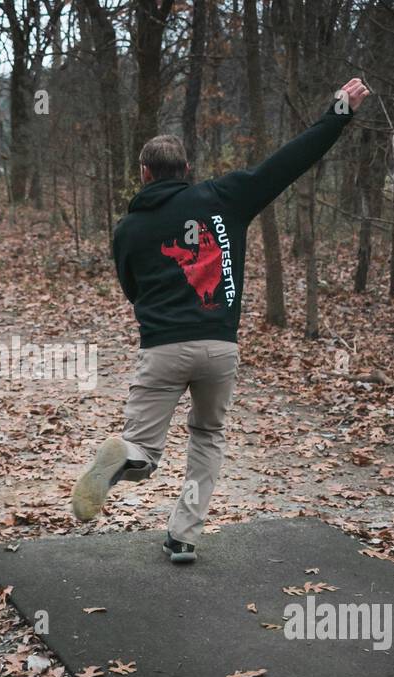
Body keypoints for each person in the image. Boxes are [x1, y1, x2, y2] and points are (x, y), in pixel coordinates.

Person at [70, 78, 371, 564]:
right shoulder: (224, 198)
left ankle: (125, 456)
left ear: (144, 174)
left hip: (162, 348)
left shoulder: (128, 228)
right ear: (187, 171)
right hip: (219, 347)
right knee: (207, 436)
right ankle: (183, 535)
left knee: (144, 451)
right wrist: (340, 110)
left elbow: (132, 290)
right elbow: (290, 160)